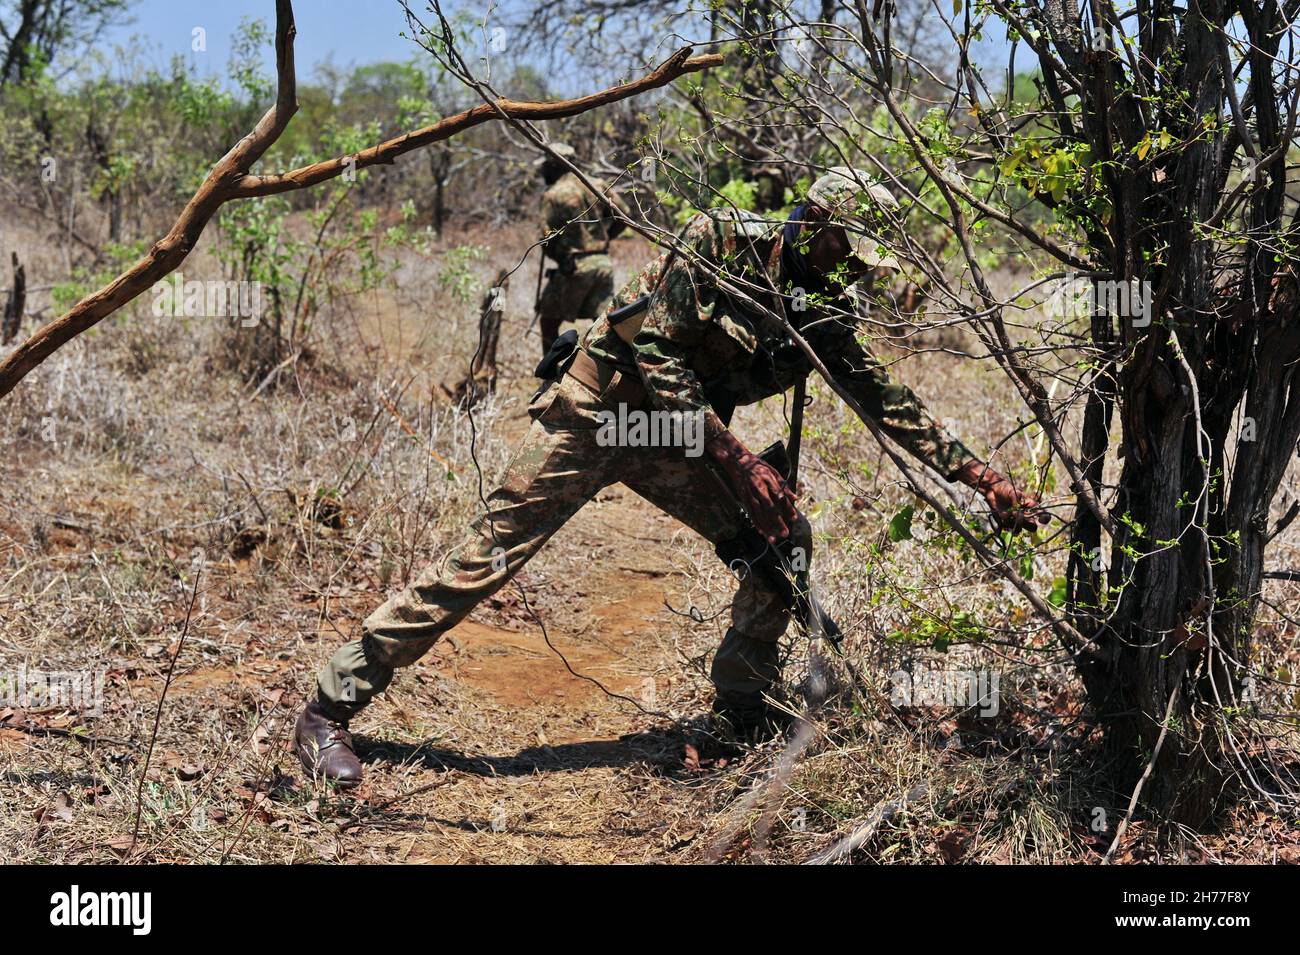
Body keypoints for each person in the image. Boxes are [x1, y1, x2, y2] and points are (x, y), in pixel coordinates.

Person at [293, 167, 1044, 786]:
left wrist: (979, 476)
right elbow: (659, 355)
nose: (849, 270)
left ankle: (738, 712)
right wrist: (738, 458)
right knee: (486, 558)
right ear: (811, 222)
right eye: (845, 250)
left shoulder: (823, 305)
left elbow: (885, 397)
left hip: (677, 438)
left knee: (781, 541)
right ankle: (330, 706)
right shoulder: (720, 241)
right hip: (599, 411)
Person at [534, 143, 624, 354]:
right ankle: (613, 368)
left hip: (574, 266)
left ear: (556, 165)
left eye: (546, 166)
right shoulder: (597, 185)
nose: (542, 171)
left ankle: (550, 377)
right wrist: (604, 240)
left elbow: (545, 238)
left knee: (548, 320)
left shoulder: (553, 194)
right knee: (605, 324)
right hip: (603, 263)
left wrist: (562, 258)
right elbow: (624, 216)